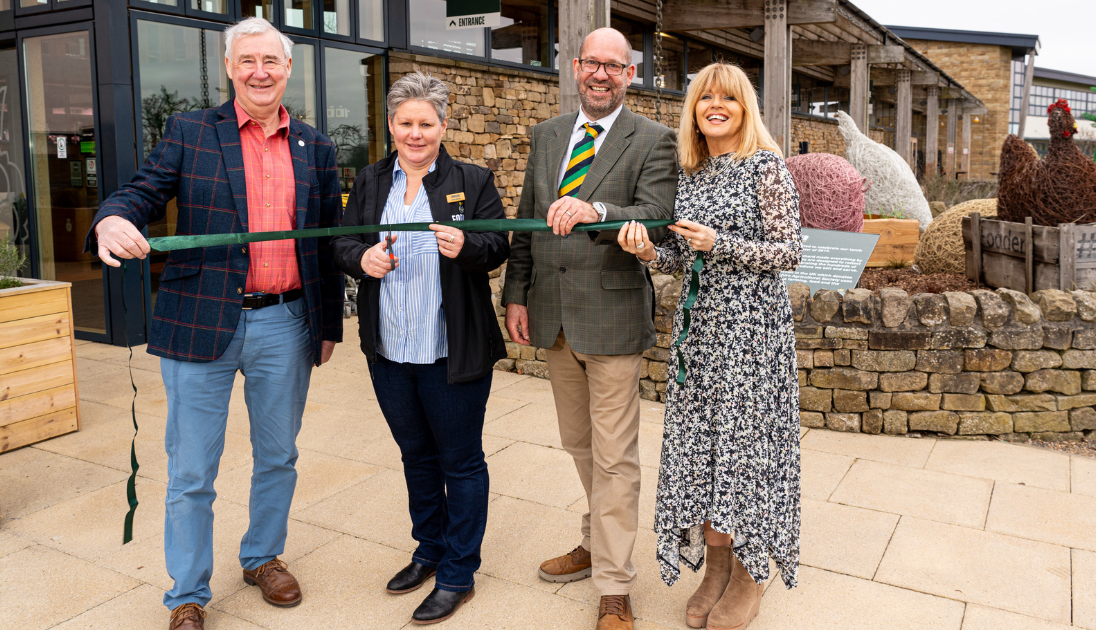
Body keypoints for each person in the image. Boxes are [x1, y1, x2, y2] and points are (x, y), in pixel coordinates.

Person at [85, 17, 345, 630]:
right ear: (230, 67)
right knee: (193, 467)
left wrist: (327, 324)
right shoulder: (190, 131)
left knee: (278, 455)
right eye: (247, 60)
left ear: (287, 69)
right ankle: (188, 594)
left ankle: (261, 557)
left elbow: (327, 244)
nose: (260, 71)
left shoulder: (318, 146)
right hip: (200, 323)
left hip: (285, 322)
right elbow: (141, 193)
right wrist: (111, 220)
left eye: (271, 62)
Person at [501, 27, 677, 630]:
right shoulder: (548, 136)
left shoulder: (653, 139)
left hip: (611, 318)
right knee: (580, 445)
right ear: (575, 67)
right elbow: (527, 219)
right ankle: (598, 541)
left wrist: (596, 210)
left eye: (614, 66)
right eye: (591, 64)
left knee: (616, 457)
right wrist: (516, 294)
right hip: (552, 318)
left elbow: (657, 213)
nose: (600, 75)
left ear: (630, 74)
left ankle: (614, 584)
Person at [616, 62, 802, 630]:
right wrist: (649, 253)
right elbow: (683, 257)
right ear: (693, 110)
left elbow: (790, 252)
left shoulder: (766, 168)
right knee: (707, 453)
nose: (715, 106)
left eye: (728, 98)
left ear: (746, 109)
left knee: (745, 454)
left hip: (753, 337)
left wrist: (722, 242)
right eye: (704, 98)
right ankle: (715, 567)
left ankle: (749, 572)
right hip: (700, 338)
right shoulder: (691, 173)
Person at [332, 72, 509, 626]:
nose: (415, 133)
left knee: (461, 462)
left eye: (425, 124)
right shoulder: (369, 180)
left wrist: (468, 245)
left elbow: (499, 243)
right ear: (391, 125)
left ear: (443, 125)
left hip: (448, 351)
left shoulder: (472, 180)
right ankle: (428, 550)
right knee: (416, 456)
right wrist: (361, 260)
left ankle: (458, 571)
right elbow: (340, 240)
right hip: (389, 351)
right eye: (405, 123)